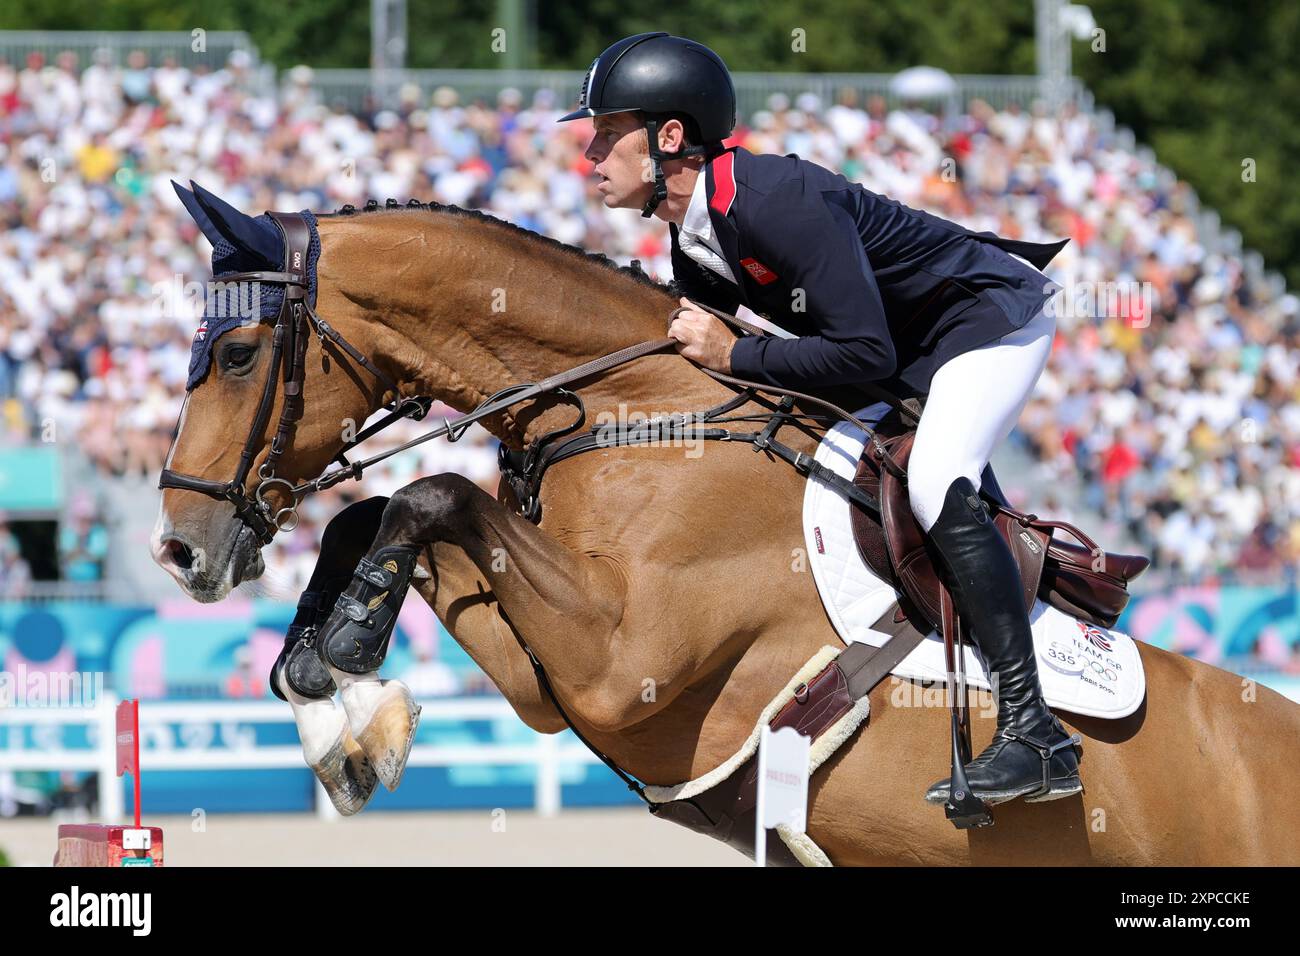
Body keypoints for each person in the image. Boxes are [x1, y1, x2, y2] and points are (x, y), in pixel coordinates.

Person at [558, 32, 1082, 807]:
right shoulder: (695, 231)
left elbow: (859, 350)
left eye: (607, 132)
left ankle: (1035, 732)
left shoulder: (773, 200)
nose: (591, 153)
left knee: (936, 480)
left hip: (985, 323)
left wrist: (735, 358)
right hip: (908, 346)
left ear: (669, 139)